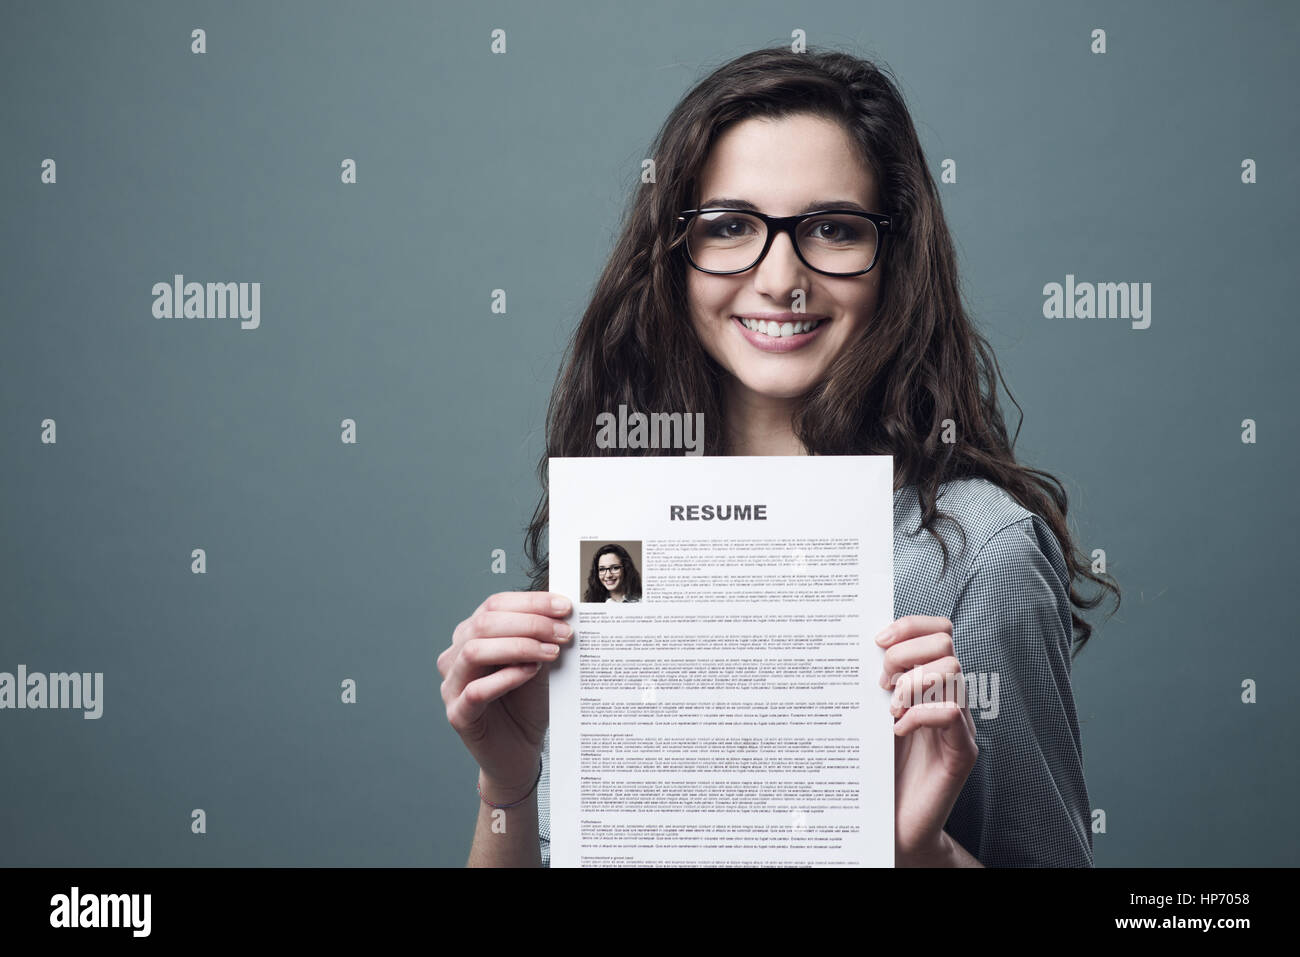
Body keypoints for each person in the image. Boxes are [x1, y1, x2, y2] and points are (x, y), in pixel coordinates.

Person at [438, 45, 1120, 867]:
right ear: (673, 254)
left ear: (892, 258)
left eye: (833, 228)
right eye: (730, 227)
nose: (780, 277)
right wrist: (505, 786)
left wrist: (920, 854)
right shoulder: (622, 519)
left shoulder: (982, 555)